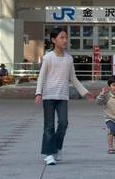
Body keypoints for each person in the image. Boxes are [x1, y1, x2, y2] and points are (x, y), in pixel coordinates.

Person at [34, 27, 91, 165]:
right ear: (54, 40)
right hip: (48, 96)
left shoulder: (69, 59)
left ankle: (57, 148)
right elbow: (41, 77)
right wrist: (38, 93)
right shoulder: (48, 58)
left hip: (62, 96)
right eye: (62, 37)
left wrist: (85, 92)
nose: (65, 40)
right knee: (49, 126)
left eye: (66, 37)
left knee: (63, 124)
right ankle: (48, 154)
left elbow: (73, 78)